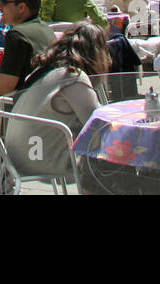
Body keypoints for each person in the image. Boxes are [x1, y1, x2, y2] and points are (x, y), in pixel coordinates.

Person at [6, 22, 109, 186]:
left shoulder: (43, 70)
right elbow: (98, 126)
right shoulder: (73, 77)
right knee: (116, 153)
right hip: (47, 163)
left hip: (17, 159)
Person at [0, 0, 57, 95]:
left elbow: (4, 89)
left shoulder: (16, 36)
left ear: (21, 7)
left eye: (3, 2)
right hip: (44, 99)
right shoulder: (46, 29)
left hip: (20, 106)